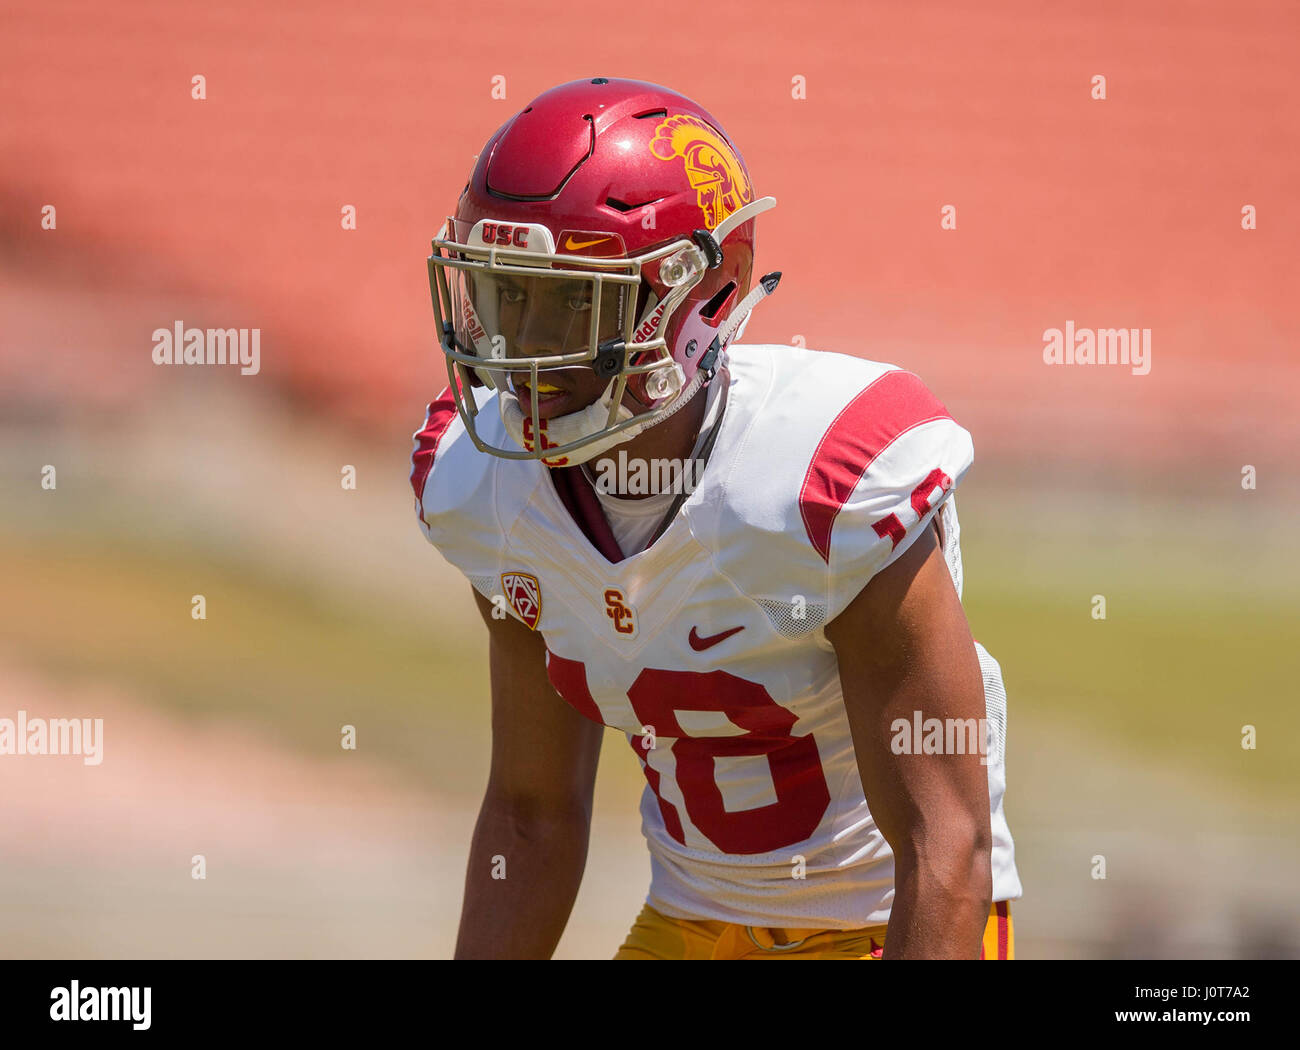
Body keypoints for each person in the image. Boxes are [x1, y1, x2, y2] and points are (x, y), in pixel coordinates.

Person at [412, 76, 1021, 959]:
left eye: (570, 304)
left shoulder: (818, 482)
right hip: (691, 924)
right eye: (507, 297)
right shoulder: (486, 494)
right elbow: (531, 815)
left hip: (887, 923)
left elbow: (947, 845)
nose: (520, 354)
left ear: (696, 301)